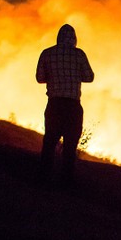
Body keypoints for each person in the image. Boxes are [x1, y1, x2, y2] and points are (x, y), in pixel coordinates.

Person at [36, 23, 94, 185]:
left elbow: (40, 78)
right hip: (72, 107)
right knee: (70, 147)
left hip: (54, 105)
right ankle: (66, 182)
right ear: (74, 39)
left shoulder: (47, 54)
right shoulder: (79, 55)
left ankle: (43, 178)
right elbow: (89, 77)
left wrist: (54, 77)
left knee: (49, 143)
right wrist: (74, 75)